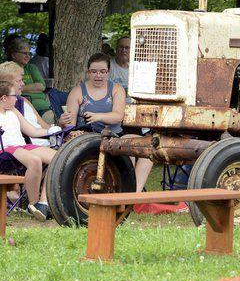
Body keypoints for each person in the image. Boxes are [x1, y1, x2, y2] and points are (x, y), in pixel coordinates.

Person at [58, 53, 152, 192]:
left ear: (108, 72)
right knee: (126, 151)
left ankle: (134, 193)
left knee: (149, 147)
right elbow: (70, 125)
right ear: (88, 72)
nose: (98, 76)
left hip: (114, 136)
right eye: (94, 71)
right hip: (89, 138)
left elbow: (118, 116)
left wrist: (98, 116)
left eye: (103, 72)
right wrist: (63, 122)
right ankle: (127, 191)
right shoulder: (78, 91)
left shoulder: (116, 89)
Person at [0, 80, 59, 220]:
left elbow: (31, 131)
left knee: (58, 158)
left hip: (22, 146)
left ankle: (43, 202)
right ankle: (33, 204)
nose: (17, 98)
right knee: (34, 160)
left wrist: (50, 130)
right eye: (14, 95)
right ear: (4, 98)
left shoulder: (13, 110)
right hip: (5, 150)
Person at [0, 62, 52, 145]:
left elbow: (44, 125)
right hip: (30, 148)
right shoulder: (8, 107)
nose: (23, 84)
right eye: (19, 81)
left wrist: (63, 131)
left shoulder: (23, 101)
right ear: (6, 84)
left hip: (48, 141)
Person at [8, 37, 53, 122]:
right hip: (22, 109)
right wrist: (33, 88)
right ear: (13, 55)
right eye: (24, 53)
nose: (27, 56)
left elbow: (41, 86)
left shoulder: (31, 68)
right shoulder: (9, 69)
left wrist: (21, 88)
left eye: (29, 53)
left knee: (50, 118)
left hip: (43, 108)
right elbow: (11, 90)